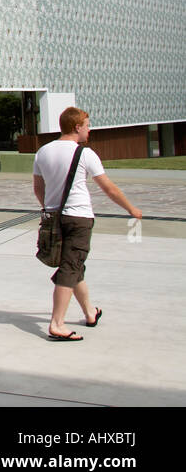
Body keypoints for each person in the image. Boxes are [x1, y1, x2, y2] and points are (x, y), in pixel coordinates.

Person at [33, 107, 142, 341]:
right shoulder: (85, 154)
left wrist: (49, 208)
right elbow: (109, 188)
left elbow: (38, 188)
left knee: (74, 266)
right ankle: (57, 324)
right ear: (77, 127)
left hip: (54, 218)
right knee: (70, 268)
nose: (89, 129)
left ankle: (90, 312)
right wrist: (131, 209)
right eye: (88, 125)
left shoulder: (43, 151)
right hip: (79, 218)